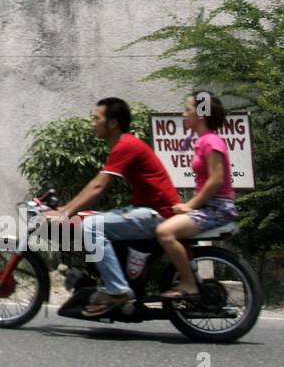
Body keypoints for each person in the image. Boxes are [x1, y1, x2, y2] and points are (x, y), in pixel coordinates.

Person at [43, 96, 182, 317]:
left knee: (91, 226)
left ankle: (117, 291)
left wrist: (65, 212)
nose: (92, 123)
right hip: (150, 211)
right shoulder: (124, 144)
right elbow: (95, 185)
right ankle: (112, 283)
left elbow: (99, 186)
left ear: (112, 123)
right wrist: (67, 210)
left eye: (96, 118)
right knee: (97, 218)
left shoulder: (126, 145)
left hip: (157, 214)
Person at [156, 91, 237, 300]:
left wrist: (190, 205)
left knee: (164, 232)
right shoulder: (203, 141)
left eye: (187, 109)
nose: (183, 114)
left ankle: (189, 284)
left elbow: (216, 180)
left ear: (201, 114)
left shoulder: (211, 141)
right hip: (209, 206)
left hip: (217, 208)